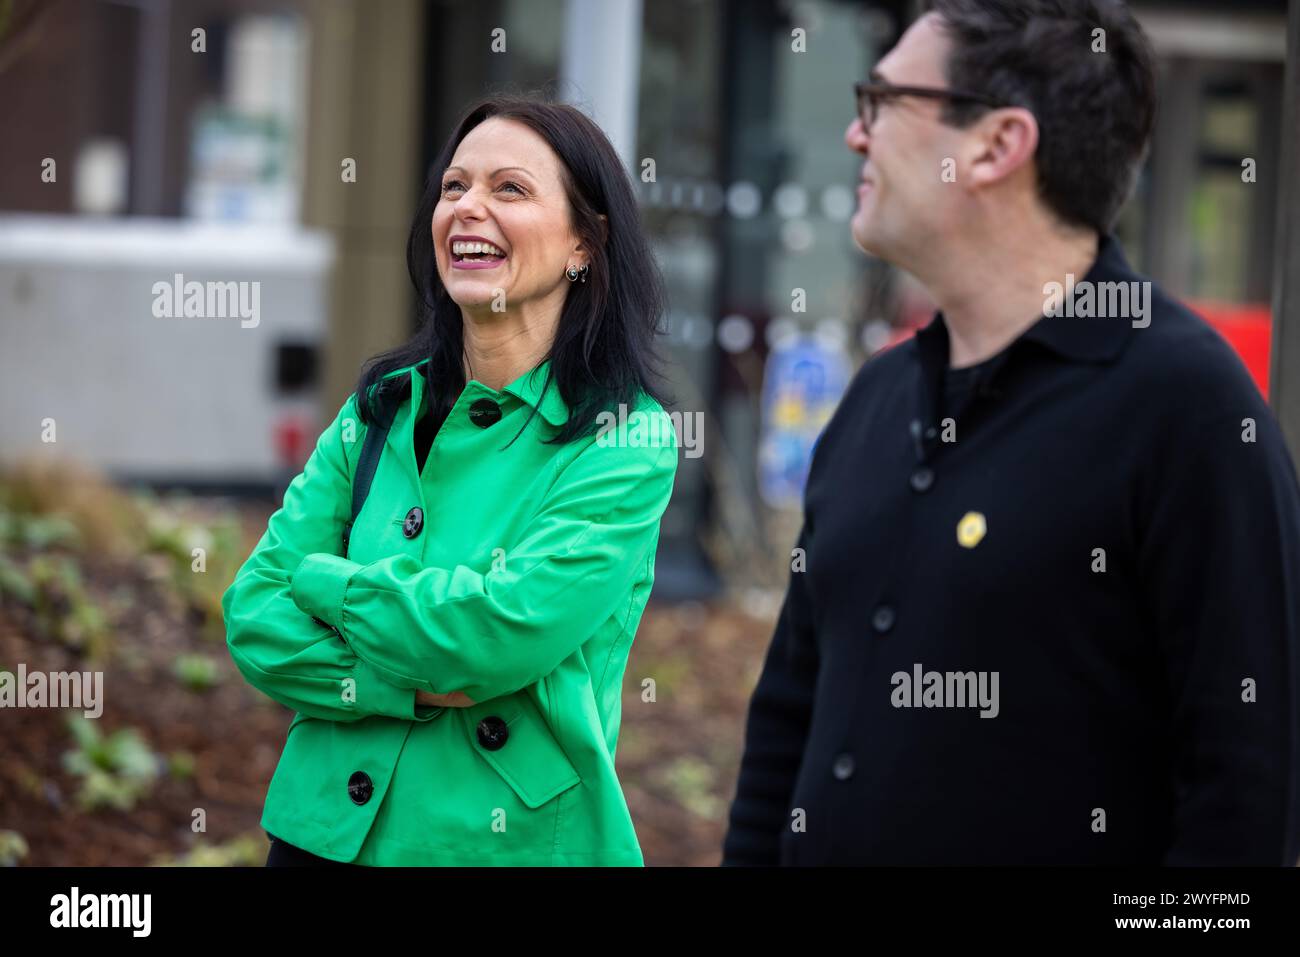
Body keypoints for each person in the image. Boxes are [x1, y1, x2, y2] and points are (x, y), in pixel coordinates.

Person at [722, 0, 1300, 865]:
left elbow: (1246, 806)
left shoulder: (1191, 411)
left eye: (882, 101)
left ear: (996, 146)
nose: (854, 133)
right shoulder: (877, 398)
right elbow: (787, 726)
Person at [223, 96, 679, 866]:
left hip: (504, 844)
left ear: (585, 243)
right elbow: (255, 614)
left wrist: (329, 585)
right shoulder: (379, 408)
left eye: (510, 189)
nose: (468, 208)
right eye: (453, 187)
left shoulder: (624, 440)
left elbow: (496, 632)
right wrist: (402, 684)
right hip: (321, 836)